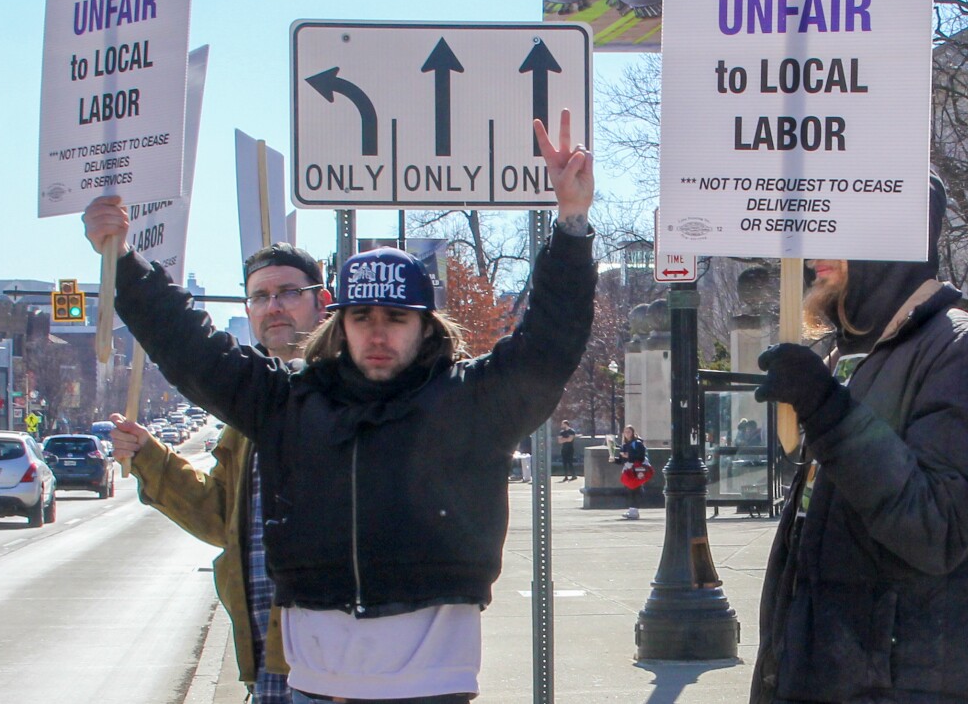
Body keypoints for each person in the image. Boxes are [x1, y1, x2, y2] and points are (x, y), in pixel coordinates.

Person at [83, 114, 595, 704]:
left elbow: (550, 343)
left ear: (425, 326)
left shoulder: (470, 403)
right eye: (362, 317)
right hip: (311, 688)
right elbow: (193, 349)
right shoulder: (288, 403)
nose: (378, 334)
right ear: (340, 323)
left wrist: (572, 225)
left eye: (396, 318)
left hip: (435, 688)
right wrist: (123, 264)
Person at [750, 175, 968, 704]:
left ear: (890, 239)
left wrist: (829, 412)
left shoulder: (962, 353)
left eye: (836, 224)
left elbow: (936, 528)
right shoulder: (859, 360)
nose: (815, 249)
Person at [110, 242, 327, 704]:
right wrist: (151, 458)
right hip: (270, 664)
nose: (273, 307)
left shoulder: (341, 390)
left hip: (333, 665)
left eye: (288, 292)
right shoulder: (252, 411)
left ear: (322, 302)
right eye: (259, 297)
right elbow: (223, 519)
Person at [608, 424, 649, 520]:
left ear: (633, 433)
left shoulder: (637, 443)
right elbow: (623, 460)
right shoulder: (625, 445)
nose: (627, 434)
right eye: (625, 432)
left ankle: (634, 510)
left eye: (629, 432)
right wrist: (614, 460)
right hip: (629, 469)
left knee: (635, 489)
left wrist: (628, 456)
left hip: (636, 469)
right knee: (630, 489)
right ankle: (632, 510)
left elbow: (641, 457)